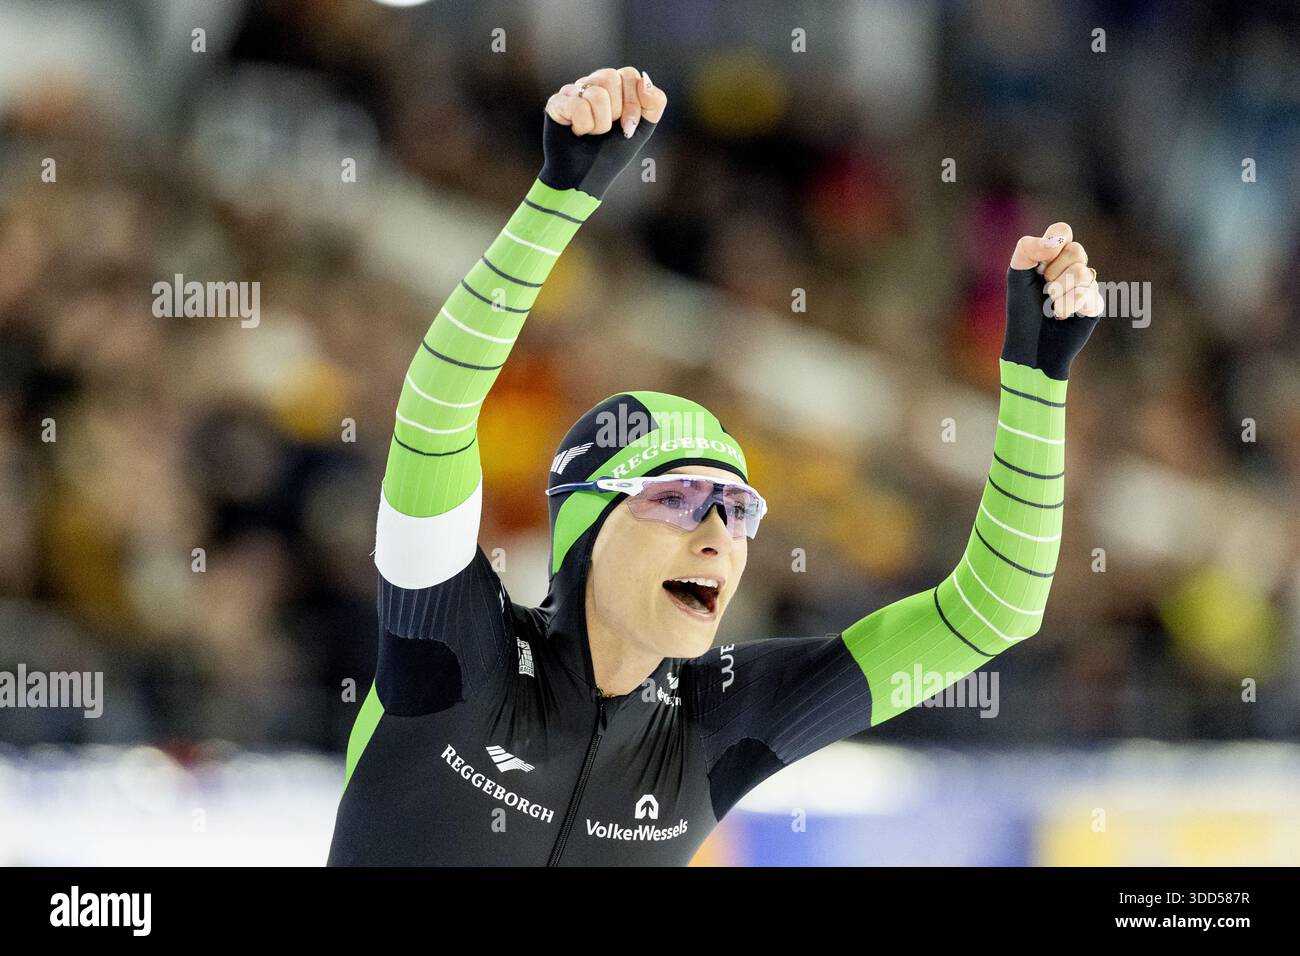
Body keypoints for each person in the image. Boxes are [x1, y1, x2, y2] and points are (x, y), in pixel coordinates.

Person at [326, 66, 1103, 866]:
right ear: (588, 526)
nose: (717, 537)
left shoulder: (718, 720)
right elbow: (436, 410)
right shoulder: (457, 650)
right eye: (677, 499)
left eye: (736, 510)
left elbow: (993, 612)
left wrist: (1037, 385)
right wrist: (557, 199)